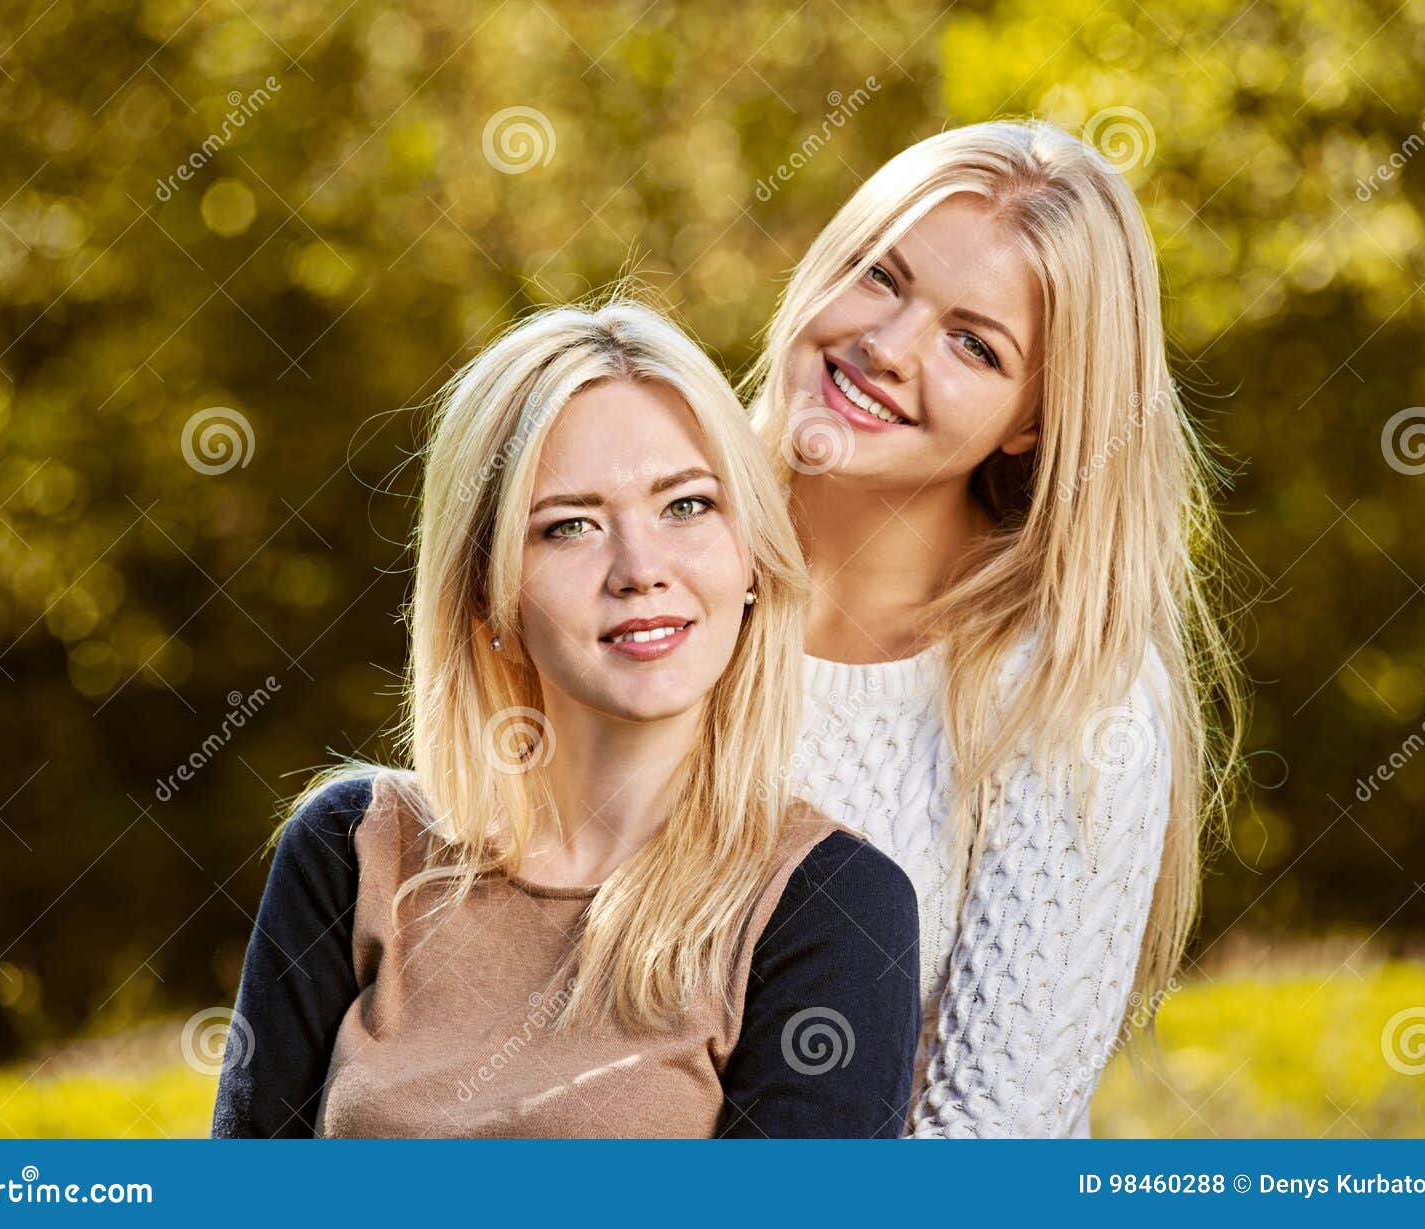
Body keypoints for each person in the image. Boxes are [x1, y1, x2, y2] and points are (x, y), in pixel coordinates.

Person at [211, 298, 921, 1139]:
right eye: (569, 525)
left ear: (753, 557)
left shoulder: (831, 905)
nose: (640, 568)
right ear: (488, 593)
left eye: (686, 505)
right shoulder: (353, 849)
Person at [739, 120, 1246, 1136]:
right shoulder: (649, 562)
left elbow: (989, 1146)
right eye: (879, 277)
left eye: (973, 344)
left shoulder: (1064, 687)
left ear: (1031, 418)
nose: (886, 348)